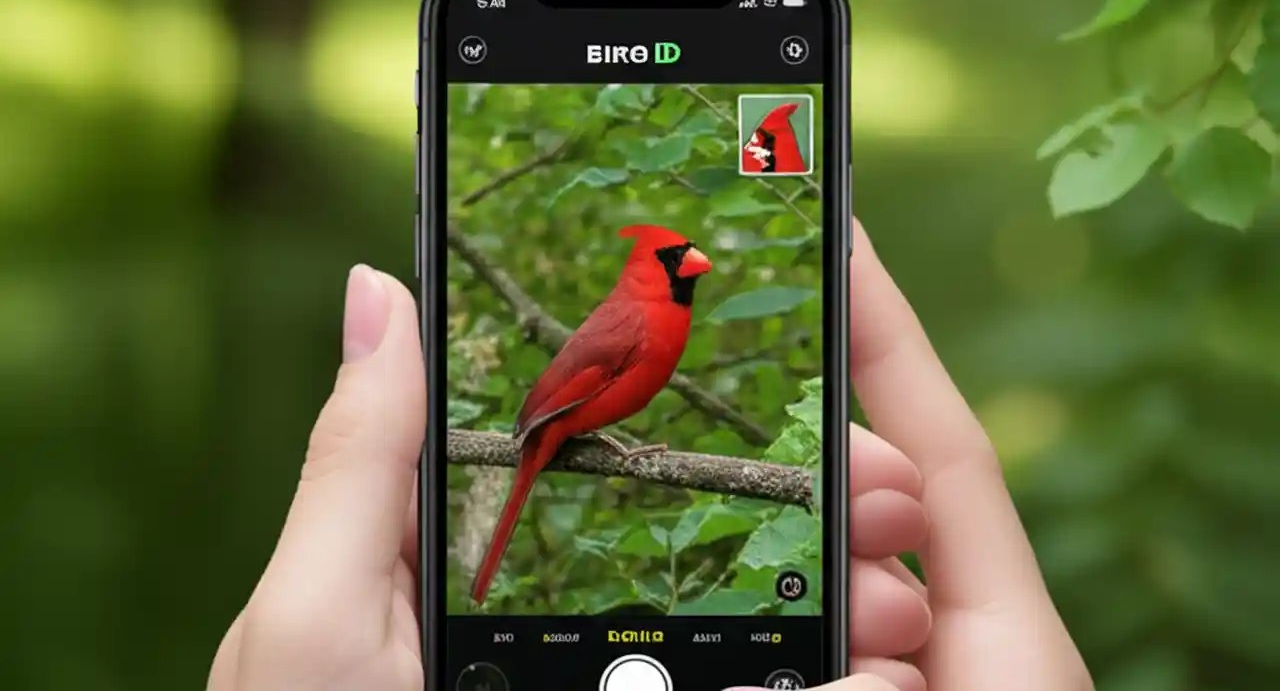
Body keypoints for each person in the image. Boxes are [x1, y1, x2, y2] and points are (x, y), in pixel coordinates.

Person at [208, 223, 1093, 691]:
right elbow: (577, 381)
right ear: (651, 270)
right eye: (675, 258)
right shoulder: (634, 315)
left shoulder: (663, 317)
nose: (691, 263)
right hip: (555, 422)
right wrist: (549, 435)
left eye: (686, 255)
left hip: (577, 425)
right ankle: (493, 570)